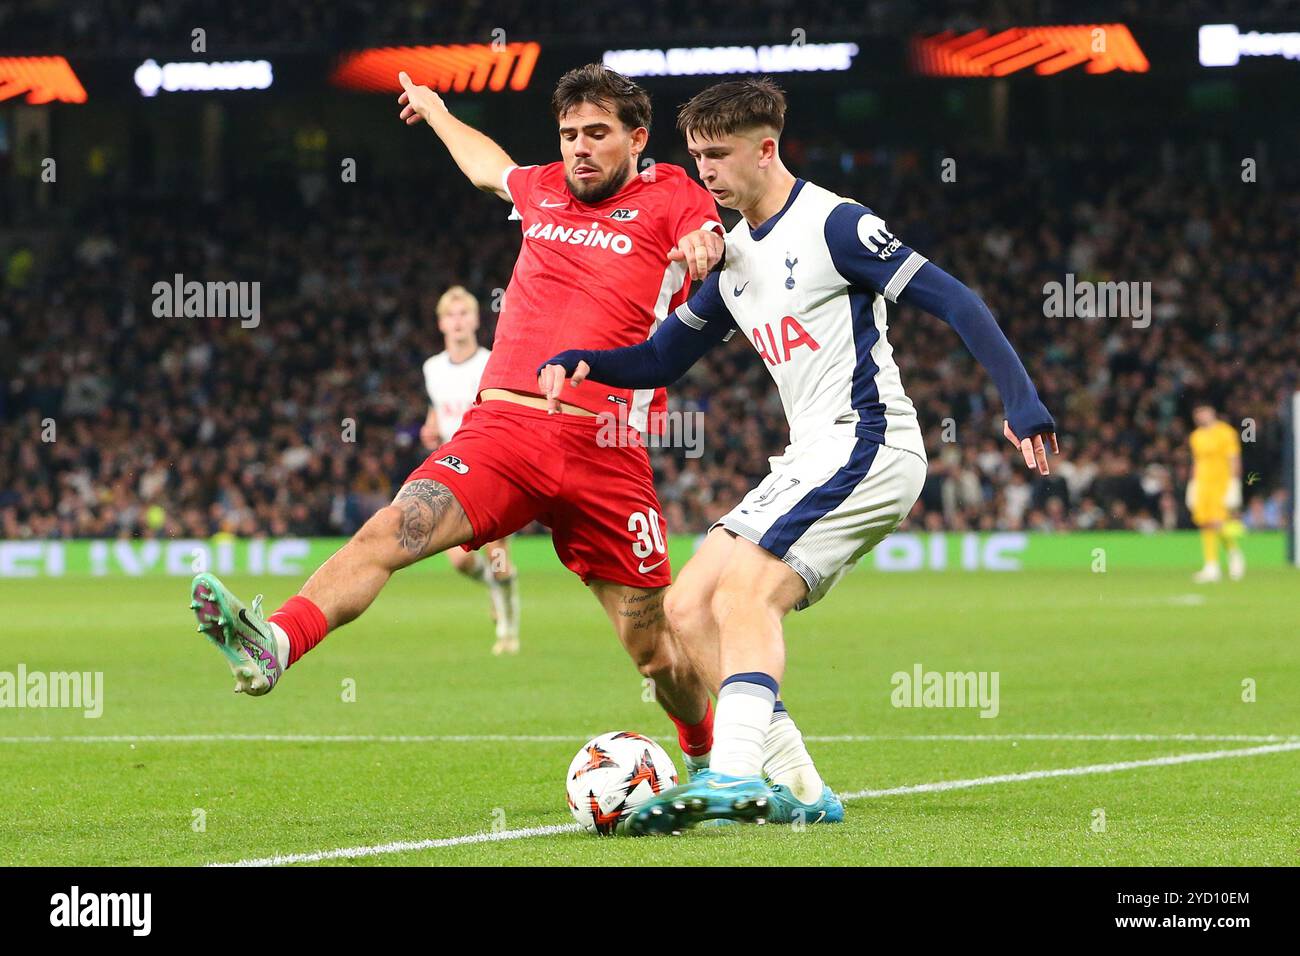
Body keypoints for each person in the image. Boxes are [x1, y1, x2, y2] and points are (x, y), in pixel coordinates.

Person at [186, 64, 817, 789]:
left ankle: (706, 758)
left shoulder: (671, 192)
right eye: (569, 133)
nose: (580, 147)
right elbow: (491, 166)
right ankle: (273, 645)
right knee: (391, 530)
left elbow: (706, 231)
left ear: (638, 138)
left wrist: (706, 244)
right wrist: (437, 110)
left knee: (655, 651)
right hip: (503, 433)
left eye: (598, 134)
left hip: (605, 449)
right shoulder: (542, 187)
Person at [539, 78, 1058, 833]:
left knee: (744, 595)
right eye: (696, 157)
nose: (705, 172)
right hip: (810, 453)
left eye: (717, 155)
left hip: (869, 440)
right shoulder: (736, 256)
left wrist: (1021, 400)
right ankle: (805, 793)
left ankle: (733, 773)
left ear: (766, 149)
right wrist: (582, 359)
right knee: (686, 607)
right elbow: (659, 358)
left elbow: (956, 300)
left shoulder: (836, 225)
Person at [420, 285, 520, 654]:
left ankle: (508, 632)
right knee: (460, 559)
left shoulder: (490, 363)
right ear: (441, 323)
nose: (458, 321)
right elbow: (438, 408)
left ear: (476, 320)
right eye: (451, 315)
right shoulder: (432, 368)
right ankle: (498, 593)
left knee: (497, 558)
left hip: (493, 467)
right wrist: (430, 427)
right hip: (452, 469)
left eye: (464, 314)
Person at [1186, 402, 1244, 582]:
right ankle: (1211, 565)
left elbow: (1234, 459)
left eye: (1203, 412)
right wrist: (1192, 484)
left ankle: (1233, 553)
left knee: (1218, 523)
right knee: (1205, 523)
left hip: (1221, 483)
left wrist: (1235, 484)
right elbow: (1196, 461)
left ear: (1212, 412)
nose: (1201, 417)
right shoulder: (1195, 437)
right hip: (1203, 485)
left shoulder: (1226, 433)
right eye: (1198, 414)